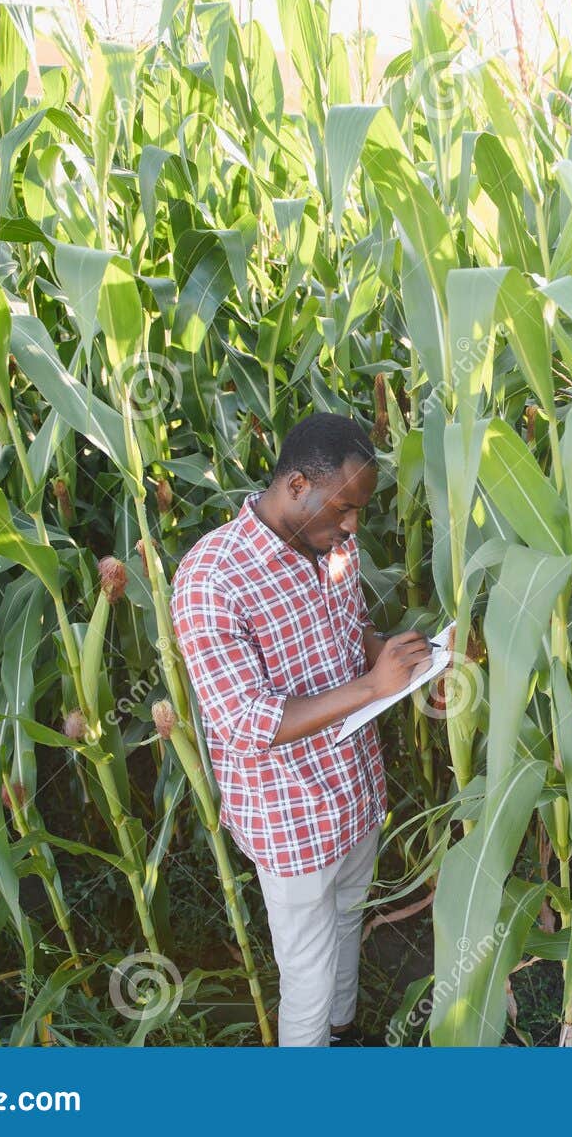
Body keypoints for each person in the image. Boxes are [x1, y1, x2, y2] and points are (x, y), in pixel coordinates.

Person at [171, 412, 433, 1046]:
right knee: (308, 980)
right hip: (290, 813)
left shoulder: (333, 547)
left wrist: (402, 660)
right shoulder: (212, 579)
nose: (351, 527)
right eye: (343, 509)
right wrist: (374, 687)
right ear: (294, 485)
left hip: (353, 789)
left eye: (358, 513)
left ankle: (345, 1035)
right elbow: (246, 720)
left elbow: (353, 635)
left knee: (348, 924)